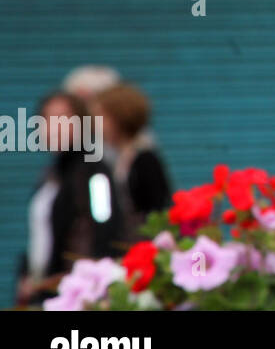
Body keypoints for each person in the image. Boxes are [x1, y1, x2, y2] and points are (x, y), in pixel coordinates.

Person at [15, 90, 126, 307]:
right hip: (45, 292)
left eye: (64, 119)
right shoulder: (51, 176)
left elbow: (105, 227)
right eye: (47, 119)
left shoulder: (95, 172)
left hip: (78, 295)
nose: (54, 127)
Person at [91, 82, 173, 239]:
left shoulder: (145, 160)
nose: (96, 127)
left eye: (101, 118)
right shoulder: (117, 158)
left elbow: (157, 209)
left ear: (118, 118)